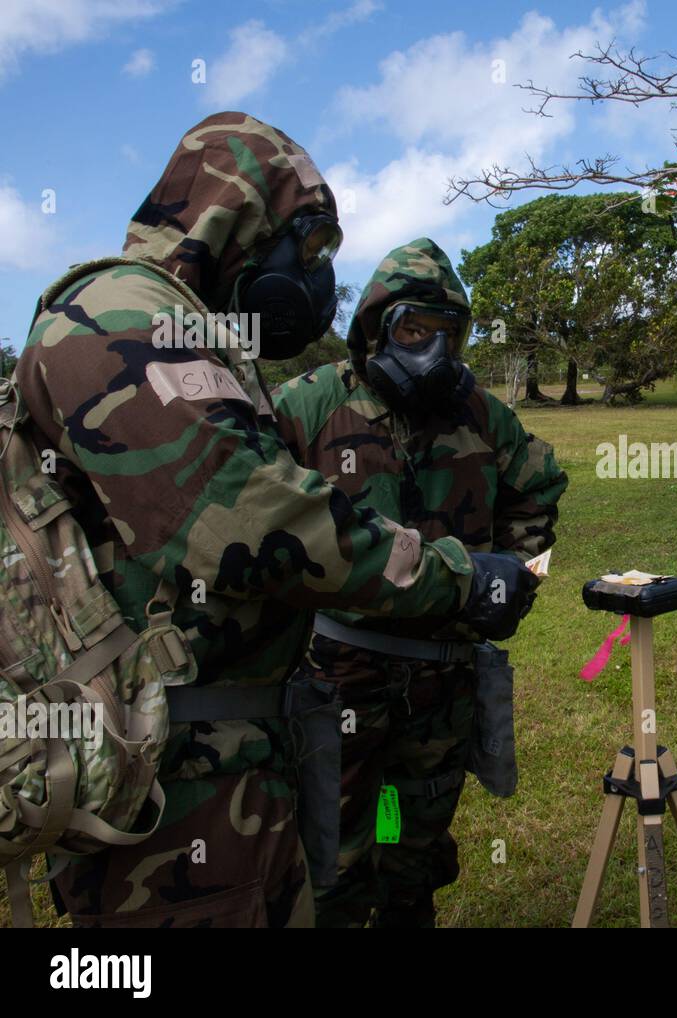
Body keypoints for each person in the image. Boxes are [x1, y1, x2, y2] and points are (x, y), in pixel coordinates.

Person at [12, 113, 536, 927]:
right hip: (175, 777)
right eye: (310, 243)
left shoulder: (188, 333)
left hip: (229, 756)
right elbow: (254, 525)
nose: (316, 276)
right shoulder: (118, 315)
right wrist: (456, 578)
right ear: (239, 215)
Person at [272, 238, 568, 927]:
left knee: (413, 847)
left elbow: (538, 492)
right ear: (375, 326)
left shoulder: (483, 414)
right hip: (332, 674)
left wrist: (513, 581)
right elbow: (260, 520)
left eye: (447, 334)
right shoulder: (307, 407)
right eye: (412, 330)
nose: (431, 350)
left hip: (442, 679)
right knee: (331, 853)